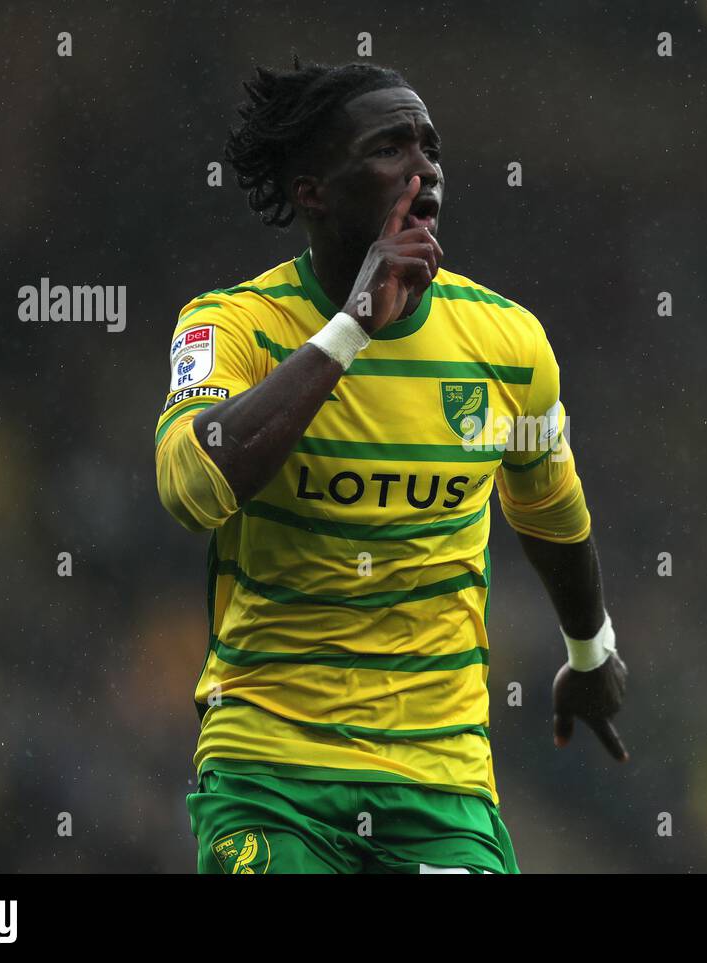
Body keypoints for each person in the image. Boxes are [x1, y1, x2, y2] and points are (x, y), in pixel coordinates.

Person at [154, 59, 627, 874]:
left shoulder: (509, 344)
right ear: (314, 190)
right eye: (390, 147)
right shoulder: (232, 324)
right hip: (272, 772)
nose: (424, 167)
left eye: (432, 148)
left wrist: (590, 652)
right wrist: (350, 329)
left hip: (440, 785)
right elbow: (192, 488)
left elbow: (550, 511)